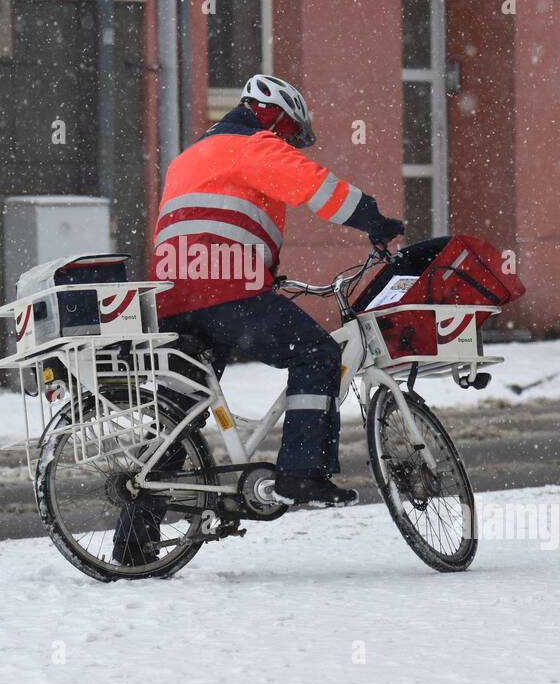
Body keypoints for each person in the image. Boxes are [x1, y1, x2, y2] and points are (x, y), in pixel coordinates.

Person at [112, 74, 403, 566]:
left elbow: (212, 226)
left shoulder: (190, 157)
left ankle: (134, 544)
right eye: (289, 132)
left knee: (178, 411)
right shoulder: (251, 144)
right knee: (317, 355)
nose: (287, 142)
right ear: (272, 115)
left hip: (175, 298)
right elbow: (319, 188)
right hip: (225, 292)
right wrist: (375, 219)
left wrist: (263, 273)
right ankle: (301, 474)